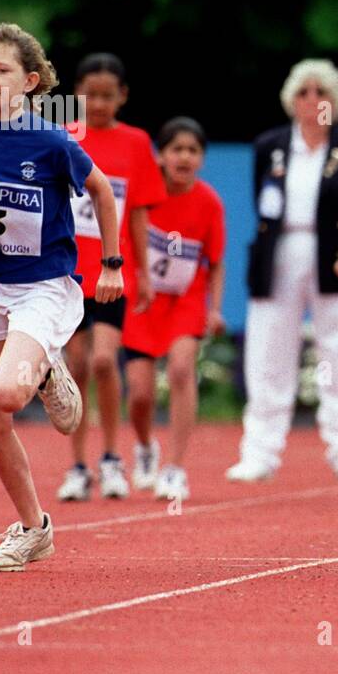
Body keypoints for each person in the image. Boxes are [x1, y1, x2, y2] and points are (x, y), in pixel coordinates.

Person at [0, 22, 124, 571]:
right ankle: (33, 530)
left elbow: (102, 192)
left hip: (41, 286)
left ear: (30, 82)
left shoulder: (51, 142)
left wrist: (111, 264)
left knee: (7, 394)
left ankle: (44, 370)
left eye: (2, 69)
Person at [228, 59, 338, 483]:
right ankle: (260, 451)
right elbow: (262, 203)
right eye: (304, 92)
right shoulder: (269, 146)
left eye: (321, 92)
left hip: (334, 253)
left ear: (335, 101)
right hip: (280, 249)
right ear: (291, 100)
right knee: (268, 350)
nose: (312, 100)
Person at [57, 54, 166, 502]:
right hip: (67, 271)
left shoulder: (136, 142)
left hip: (111, 272)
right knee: (76, 366)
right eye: (90, 95)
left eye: (107, 95)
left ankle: (111, 458)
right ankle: (78, 466)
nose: (99, 104)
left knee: (104, 361)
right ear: (76, 94)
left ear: (122, 96)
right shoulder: (62, 135)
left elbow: (136, 212)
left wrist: (143, 272)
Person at [122, 118, 227, 502]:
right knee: (140, 393)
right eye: (176, 149)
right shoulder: (142, 196)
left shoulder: (209, 202)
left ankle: (174, 467)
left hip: (186, 300)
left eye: (192, 150)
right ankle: (145, 446)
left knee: (182, 370)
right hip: (144, 300)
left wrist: (214, 309)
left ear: (202, 158)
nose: (184, 157)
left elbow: (215, 262)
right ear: (160, 155)